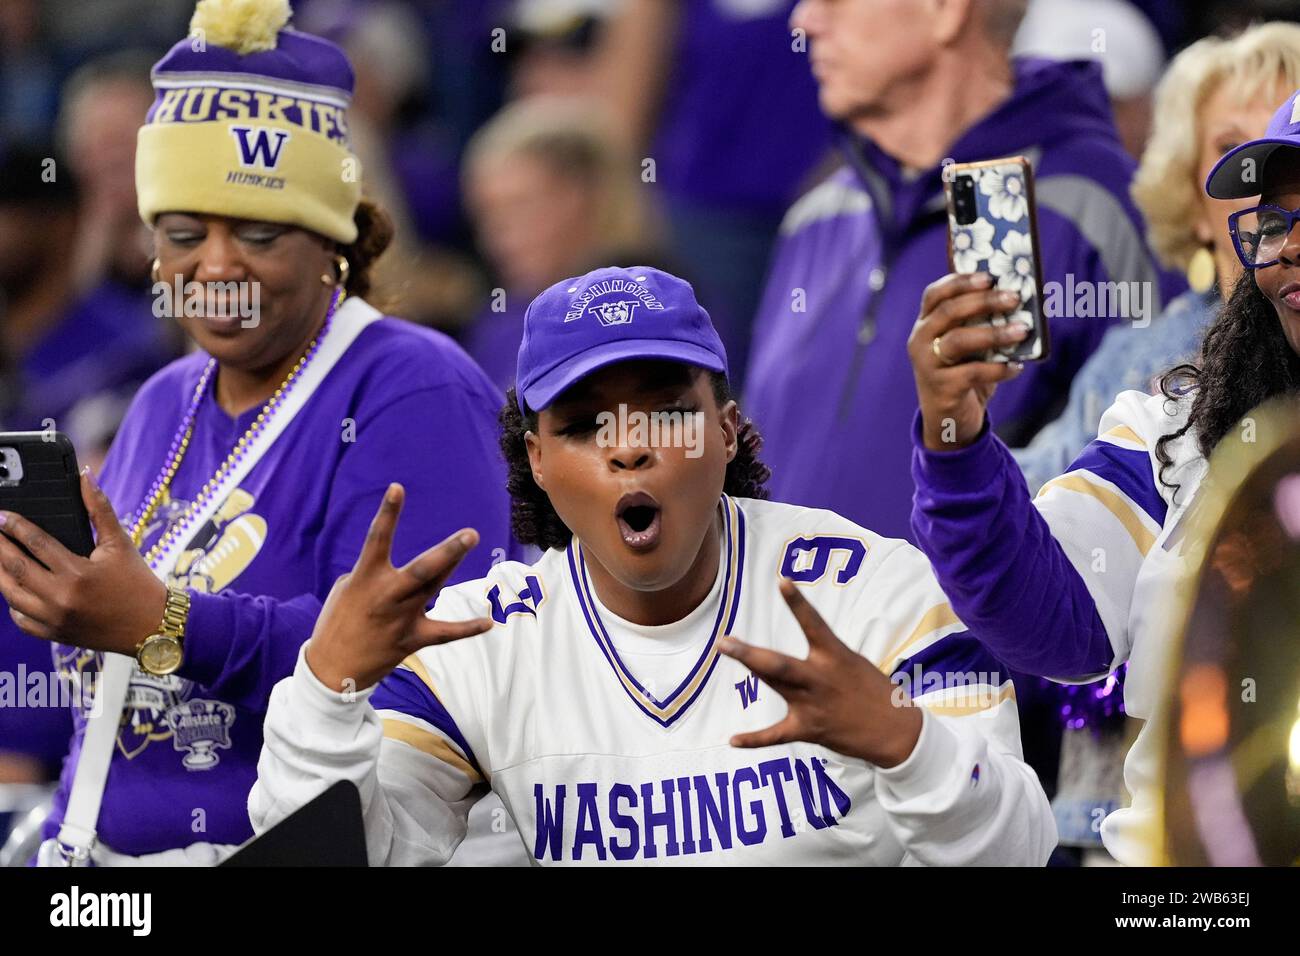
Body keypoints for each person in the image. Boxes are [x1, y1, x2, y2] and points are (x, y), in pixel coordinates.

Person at [249, 265, 1056, 866]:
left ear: (727, 431)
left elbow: (1019, 850)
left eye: (667, 411)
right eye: (584, 423)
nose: (631, 445)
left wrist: (904, 742)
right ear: (534, 459)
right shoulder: (483, 640)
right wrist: (326, 690)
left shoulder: (876, 595)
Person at [0, 0, 513, 865]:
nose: (217, 265)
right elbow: (111, 699)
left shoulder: (412, 384)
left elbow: (423, 670)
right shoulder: (164, 400)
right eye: (184, 233)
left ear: (333, 244)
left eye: (261, 232)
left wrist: (165, 622)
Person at [906, 88, 1300, 864]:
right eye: (1278, 223)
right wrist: (957, 440)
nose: (1286, 248)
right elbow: (1047, 616)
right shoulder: (1179, 437)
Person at [744, 0, 1183, 543]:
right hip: (775, 626)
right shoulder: (814, 220)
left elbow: (1155, 505)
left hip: (981, 626)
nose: (804, 20)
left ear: (947, 10)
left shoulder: (1102, 212)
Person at [1014, 23, 1300, 496]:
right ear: (1191, 198)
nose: (1259, 182)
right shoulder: (1130, 365)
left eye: (1279, 145)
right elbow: (1037, 510)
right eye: (1232, 150)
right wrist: (958, 439)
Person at [461, 96, 663, 393]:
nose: (497, 238)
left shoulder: (662, 312)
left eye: (520, 207)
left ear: (586, 197)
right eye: (487, 217)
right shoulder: (500, 325)